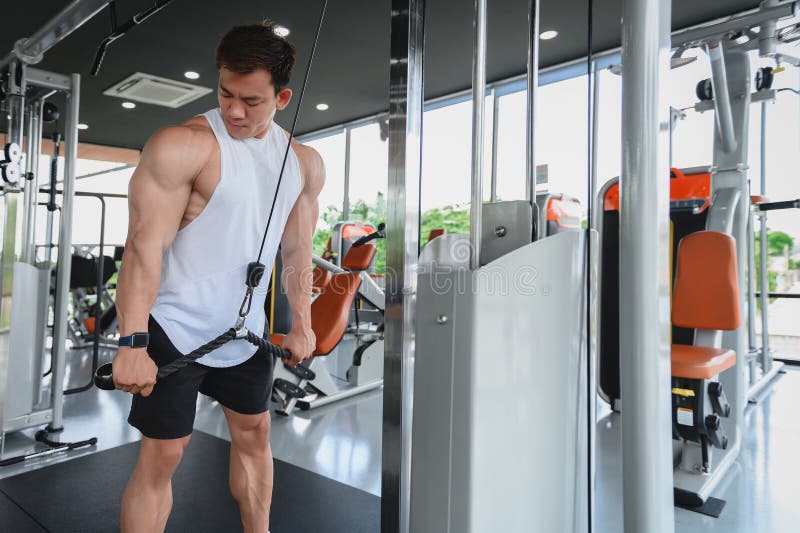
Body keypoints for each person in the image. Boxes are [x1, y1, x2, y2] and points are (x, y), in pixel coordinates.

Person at [111, 20, 324, 533]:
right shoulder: (182, 145)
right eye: (226, 93)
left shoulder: (303, 162)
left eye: (251, 101)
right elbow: (144, 248)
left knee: (254, 434)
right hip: (173, 327)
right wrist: (132, 340)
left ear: (282, 97)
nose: (233, 110)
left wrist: (302, 324)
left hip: (246, 331)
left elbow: (296, 248)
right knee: (163, 456)